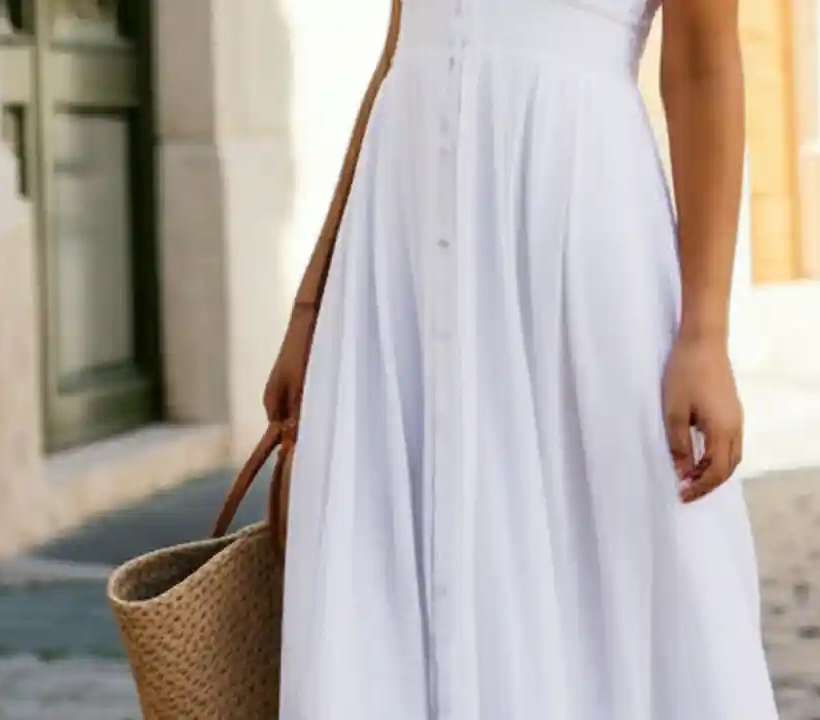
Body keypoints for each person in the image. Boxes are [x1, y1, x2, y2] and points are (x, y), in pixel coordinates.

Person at [263, 0, 779, 716]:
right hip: (399, 254)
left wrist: (705, 333)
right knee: (385, 566)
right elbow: (395, 54)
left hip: (572, 244)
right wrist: (311, 305)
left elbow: (703, 67)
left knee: (603, 555)